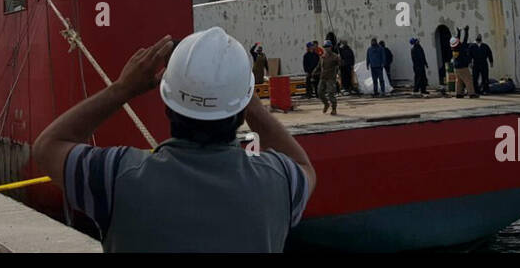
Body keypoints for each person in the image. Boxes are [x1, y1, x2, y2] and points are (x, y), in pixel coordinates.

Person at [33, 29, 315, 252]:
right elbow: (303, 165)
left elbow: (48, 146)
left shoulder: (115, 176)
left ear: (167, 105)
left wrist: (122, 89)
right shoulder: (279, 182)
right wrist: (247, 101)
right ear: (241, 112)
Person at [317, 41, 340, 115]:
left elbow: (340, 64)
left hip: (331, 78)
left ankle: (334, 108)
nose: (326, 49)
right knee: (320, 92)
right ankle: (326, 104)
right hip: (323, 77)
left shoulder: (335, 56)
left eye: (328, 47)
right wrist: (313, 72)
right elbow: (319, 66)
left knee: (331, 93)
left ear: (331, 47)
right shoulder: (323, 56)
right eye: (325, 47)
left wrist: (340, 60)